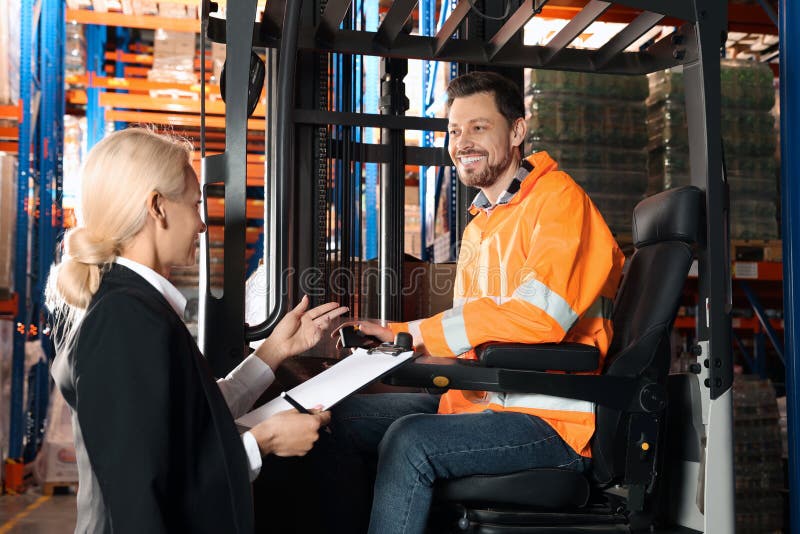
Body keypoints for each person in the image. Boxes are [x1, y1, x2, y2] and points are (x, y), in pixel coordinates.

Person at [324, 71, 627, 534]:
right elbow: (474, 325)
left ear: (518, 131)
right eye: (455, 130)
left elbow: (539, 318)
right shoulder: (482, 224)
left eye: (479, 127)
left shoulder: (558, 202)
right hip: (485, 401)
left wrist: (423, 334)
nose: (463, 142)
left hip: (550, 418)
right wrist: (401, 337)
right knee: (335, 419)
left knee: (410, 440)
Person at [46, 127, 348, 533]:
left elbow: (187, 418)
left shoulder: (131, 305)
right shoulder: (124, 319)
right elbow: (145, 485)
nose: (202, 225)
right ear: (157, 207)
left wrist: (272, 352)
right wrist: (264, 443)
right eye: (194, 205)